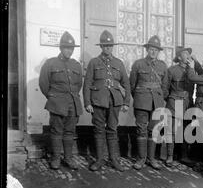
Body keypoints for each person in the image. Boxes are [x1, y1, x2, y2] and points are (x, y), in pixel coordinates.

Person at [83, 30, 131, 172]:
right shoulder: (94, 62)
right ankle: (99, 160)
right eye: (105, 46)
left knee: (112, 130)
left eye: (110, 46)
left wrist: (126, 102)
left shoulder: (119, 63)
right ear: (101, 47)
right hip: (98, 101)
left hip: (114, 102)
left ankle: (114, 160)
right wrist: (87, 103)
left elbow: (126, 84)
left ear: (112, 47)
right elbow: (87, 84)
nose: (107, 48)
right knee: (98, 130)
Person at [39, 31, 83, 170]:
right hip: (57, 104)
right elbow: (43, 84)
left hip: (73, 104)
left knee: (70, 131)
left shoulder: (76, 65)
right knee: (56, 131)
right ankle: (56, 158)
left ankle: (68, 158)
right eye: (66, 48)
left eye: (71, 48)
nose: (69, 51)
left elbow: (78, 85)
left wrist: (71, 98)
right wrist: (53, 97)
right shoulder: (50, 63)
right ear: (60, 48)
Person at [129, 35, 168, 170]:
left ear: (159, 52)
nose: (153, 52)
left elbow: (165, 87)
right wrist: (139, 97)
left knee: (154, 130)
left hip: (156, 102)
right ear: (147, 49)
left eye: (156, 50)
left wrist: (160, 99)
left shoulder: (163, 66)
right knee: (141, 129)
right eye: (151, 49)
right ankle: (141, 159)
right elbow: (132, 85)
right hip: (141, 101)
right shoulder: (138, 64)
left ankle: (151, 158)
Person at [164, 46, 196, 167]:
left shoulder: (192, 70)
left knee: (185, 130)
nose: (188, 55)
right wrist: (171, 99)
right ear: (179, 57)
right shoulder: (172, 70)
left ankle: (183, 156)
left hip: (187, 102)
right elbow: (165, 88)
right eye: (185, 53)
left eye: (189, 53)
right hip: (175, 101)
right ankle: (170, 156)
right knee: (172, 130)